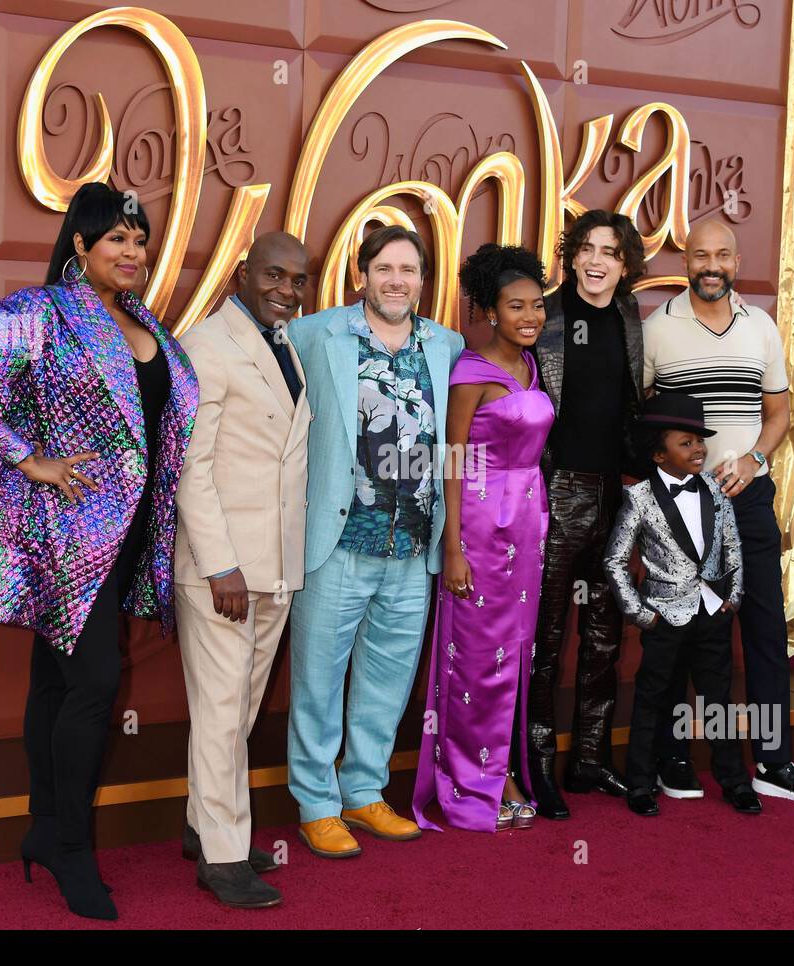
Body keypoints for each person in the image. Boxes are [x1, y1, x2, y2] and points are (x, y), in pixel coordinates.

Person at [0, 182, 200, 920]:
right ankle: (73, 852)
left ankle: (45, 825)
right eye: (116, 238)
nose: (132, 252)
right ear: (80, 246)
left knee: (54, 682)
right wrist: (29, 457)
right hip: (67, 536)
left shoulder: (144, 322)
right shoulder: (41, 313)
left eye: (139, 240)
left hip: (129, 536)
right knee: (92, 685)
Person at [642, 219, 794, 805]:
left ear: (737, 259)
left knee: (762, 630)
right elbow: (644, 417)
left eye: (722, 255)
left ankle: (774, 764)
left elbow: (779, 414)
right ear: (685, 260)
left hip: (748, 498)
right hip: (682, 503)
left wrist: (755, 458)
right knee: (680, 630)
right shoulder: (658, 329)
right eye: (700, 254)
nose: (711, 264)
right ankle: (674, 760)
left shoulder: (761, 326)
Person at [285, 225, 465, 857]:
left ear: (423, 280)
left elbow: (456, 445)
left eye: (409, 270)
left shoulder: (446, 345)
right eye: (384, 268)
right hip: (337, 542)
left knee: (387, 682)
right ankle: (315, 803)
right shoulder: (315, 335)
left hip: (413, 546)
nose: (396, 280)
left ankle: (363, 792)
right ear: (361, 273)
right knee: (317, 680)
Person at [173, 233, 311, 908]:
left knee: (238, 710)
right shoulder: (206, 345)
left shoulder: (286, 344)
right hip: (222, 568)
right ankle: (222, 859)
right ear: (241, 273)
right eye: (274, 275)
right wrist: (220, 563)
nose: (286, 289)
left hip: (275, 563)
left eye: (298, 279)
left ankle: (204, 824)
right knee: (224, 711)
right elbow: (192, 468)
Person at [412, 244, 554, 833]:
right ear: (490, 313)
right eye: (515, 307)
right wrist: (452, 546)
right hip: (479, 524)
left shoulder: (530, 366)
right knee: (475, 660)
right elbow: (452, 460)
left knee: (514, 656)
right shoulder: (470, 371)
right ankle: (474, 780)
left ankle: (503, 772)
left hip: (528, 524)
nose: (530, 317)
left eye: (538, 306)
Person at [528, 209, 646, 819]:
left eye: (610, 252)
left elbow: (629, 405)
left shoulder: (629, 317)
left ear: (625, 266)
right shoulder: (542, 315)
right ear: (571, 256)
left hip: (615, 490)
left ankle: (592, 760)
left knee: (605, 634)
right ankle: (537, 764)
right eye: (587, 249)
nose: (596, 261)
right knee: (546, 638)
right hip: (555, 492)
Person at [605, 392, 761, 817]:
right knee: (651, 699)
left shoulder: (714, 487)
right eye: (686, 443)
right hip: (664, 616)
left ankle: (734, 779)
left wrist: (734, 596)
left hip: (713, 611)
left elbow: (732, 544)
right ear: (659, 454)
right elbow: (615, 560)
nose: (698, 449)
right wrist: (638, 612)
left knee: (719, 700)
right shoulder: (638, 499)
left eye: (700, 441)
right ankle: (640, 782)